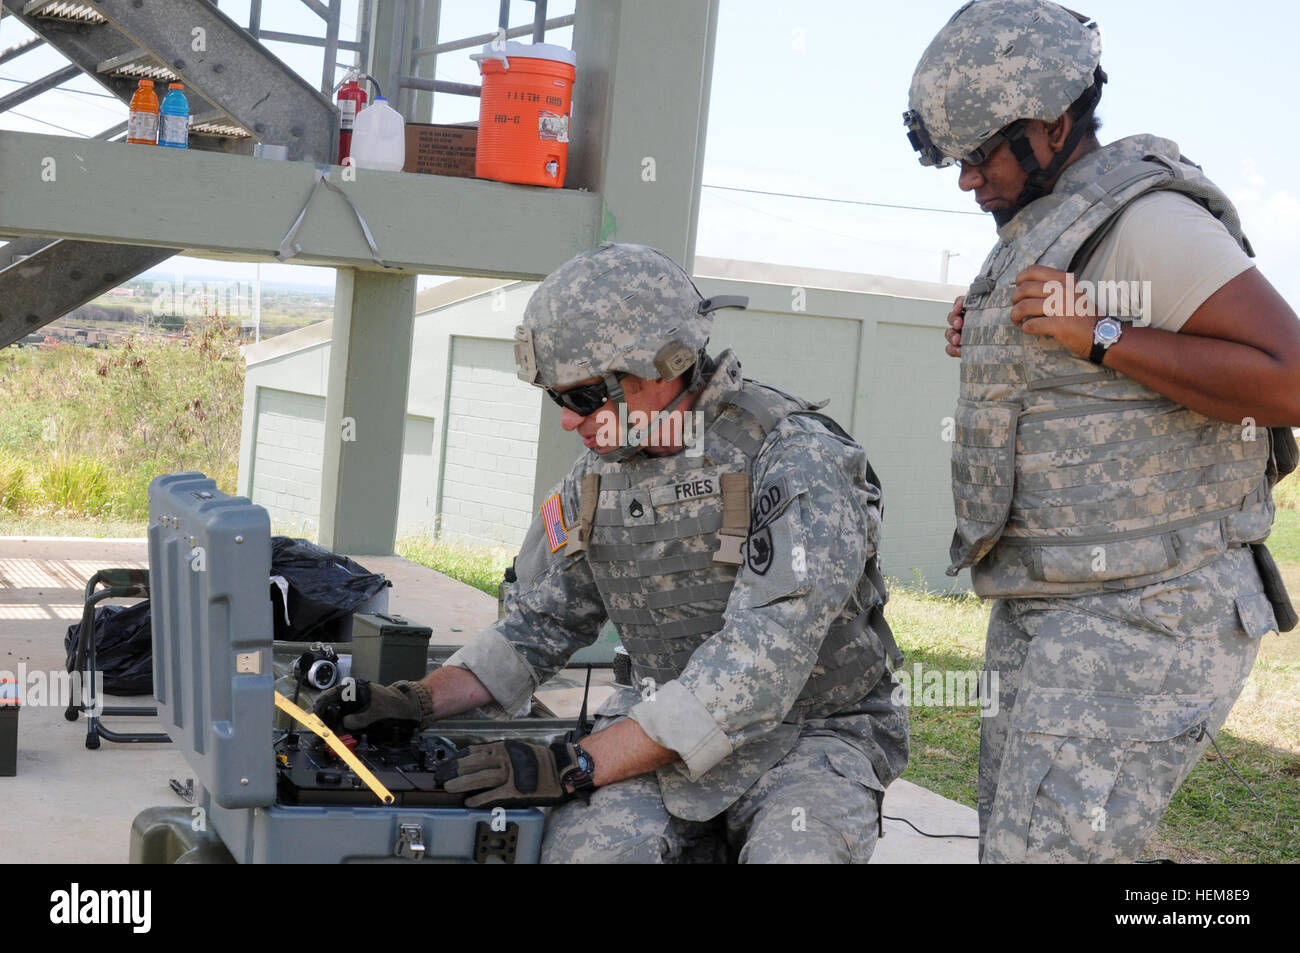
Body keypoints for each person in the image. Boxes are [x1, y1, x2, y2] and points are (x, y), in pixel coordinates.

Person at [316, 242, 908, 863]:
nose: (570, 423)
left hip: (807, 737)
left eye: (582, 398)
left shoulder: (795, 458)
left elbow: (758, 669)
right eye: (557, 399)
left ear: (661, 365)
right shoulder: (595, 479)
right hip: (652, 727)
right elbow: (539, 625)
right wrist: (417, 700)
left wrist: (573, 764)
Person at [905, 0, 1300, 862]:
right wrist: (995, 339)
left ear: (1050, 127)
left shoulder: (1148, 220)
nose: (968, 179)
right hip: (1053, 605)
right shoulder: (1048, 224)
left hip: (1147, 612)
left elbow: (1291, 377)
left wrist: (1106, 336)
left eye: (978, 156)